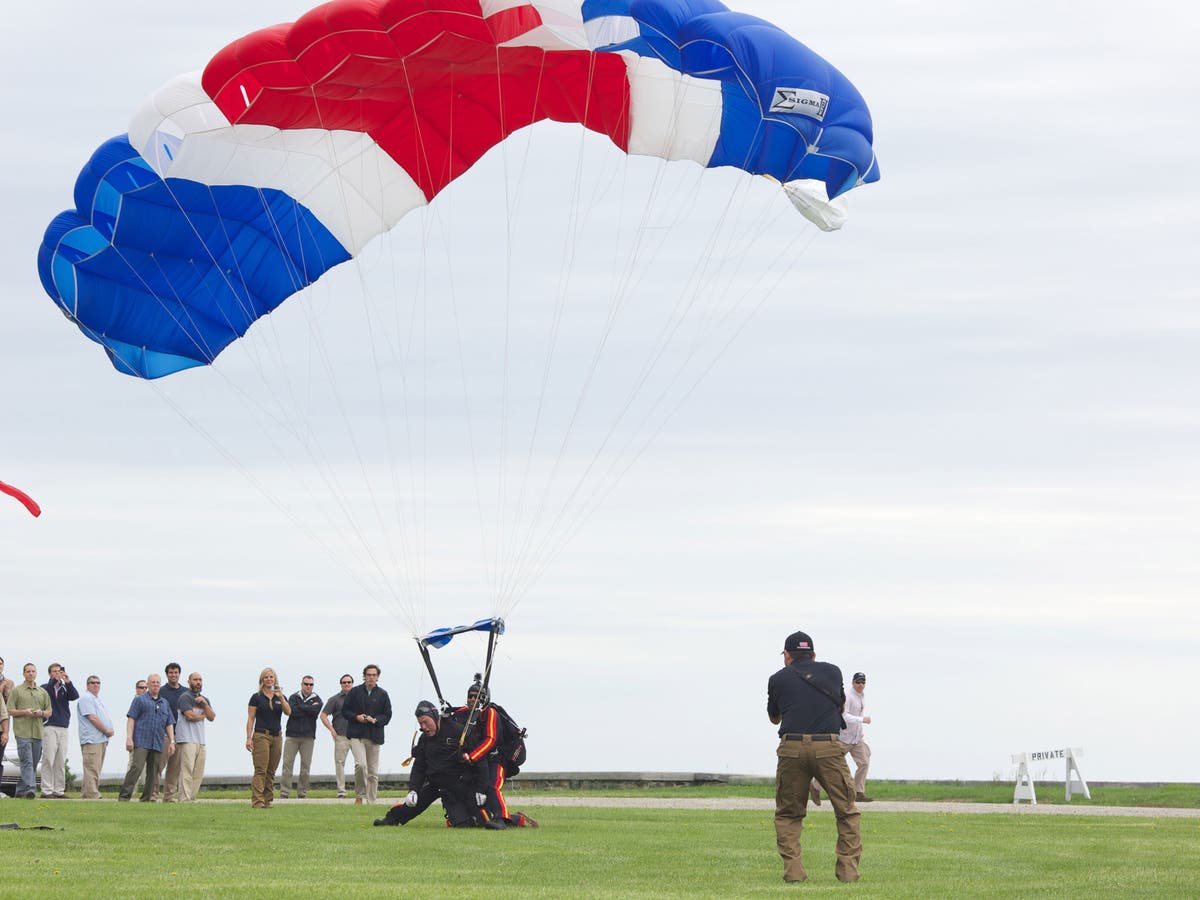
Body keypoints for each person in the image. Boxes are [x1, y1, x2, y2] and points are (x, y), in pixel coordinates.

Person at [767, 630, 861, 884]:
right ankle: (848, 872)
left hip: (792, 748)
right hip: (828, 748)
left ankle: (794, 872)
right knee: (846, 811)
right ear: (814, 654)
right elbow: (840, 704)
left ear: (787, 655)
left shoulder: (777, 679)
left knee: (788, 813)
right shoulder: (833, 671)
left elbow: (774, 717)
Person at [374, 701, 488, 828]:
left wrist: (481, 789)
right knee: (413, 804)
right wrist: (413, 790)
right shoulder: (424, 739)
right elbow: (419, 767)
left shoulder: (459, 732)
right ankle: (391, 819)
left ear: (435, 717)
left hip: (458, 785)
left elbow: (480, 761)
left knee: (467, 824)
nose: (424, 727)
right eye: (420, 724)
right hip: (434, 783)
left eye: (426, 722)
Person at [452, 682, 537, 828]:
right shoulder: (466, 712)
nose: (472, 699)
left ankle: (500, 819)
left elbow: (491, 740)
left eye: (476, 697)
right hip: (481, 761)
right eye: (470, 696)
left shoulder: (491, 713)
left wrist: (471, 757)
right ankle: (518, 819)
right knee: (474, 799)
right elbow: (453, 715)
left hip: (498, 758)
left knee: (492, 786)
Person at [118, 673, 177, 802]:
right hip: (141, 740)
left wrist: (172, 741)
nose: (155, 684)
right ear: (148, 684)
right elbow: (131, 719)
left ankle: (146, 798)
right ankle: (124, 797)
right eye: (153, 682)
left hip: (157, 742)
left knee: (153, 772)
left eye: (157, 682)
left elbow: (169, 723)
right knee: (136, 767)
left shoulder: (164, 703)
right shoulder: (140, 700)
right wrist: (129, 738)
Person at [343, 664, 391, 805]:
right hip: (357, 735)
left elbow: (387, 715)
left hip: (374, 735)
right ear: (364, 676)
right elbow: (345, 711)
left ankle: (371, 801)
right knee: (361, 765)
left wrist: (376, 720)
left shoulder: (383, 694)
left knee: (372, 771)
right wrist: (356, 717)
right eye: (368, 675)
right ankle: (359, 795)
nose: (371, 677)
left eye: (374, 675)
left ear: (377, 677)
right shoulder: (355, 692)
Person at [246, 667, 290, 809]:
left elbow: (288, 712)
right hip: (261, 735)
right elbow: (251, 719)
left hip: (277, 736)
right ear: (262, 680)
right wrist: (248, 737)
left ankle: (267, 800)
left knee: (271, 770)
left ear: (275, 679)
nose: (269, 679)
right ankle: (257, 801)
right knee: (261, 769)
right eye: (266, 677)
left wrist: (281, 696)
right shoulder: (256, 697)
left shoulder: (279, 697)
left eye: (271, 677)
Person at [9, 663, 51, 799]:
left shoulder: (42, 692)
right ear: (23, 674)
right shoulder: (16, 691)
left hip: (38, 733)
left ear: (36, 673)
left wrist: (41, 713)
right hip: (22, 732)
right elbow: (9, 710)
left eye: (33, 671)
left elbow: (49, 712)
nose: (30, 673)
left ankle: (21, 790)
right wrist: (24, 712)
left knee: (32, 763)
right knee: (26, 761)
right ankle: (30, 789)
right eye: (28, 671)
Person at [39, 662, 79, 799]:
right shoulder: (45, 687)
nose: (58, 674)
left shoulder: (64, 689)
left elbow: (74, 696)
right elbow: (46, 691)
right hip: (50, 727)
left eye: (59, 671)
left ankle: (59, 790)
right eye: (55, 671)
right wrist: (53, 681)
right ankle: (47, 790)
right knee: (48, 758)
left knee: (60, 760)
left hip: (63, 727)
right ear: (50, 674)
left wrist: (68, 681)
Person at [175, 672, 216, 802]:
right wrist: (203, 716)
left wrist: (205, 704)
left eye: (200, 680)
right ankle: (184, 798)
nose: (198, 682)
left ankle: (191, 798)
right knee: (186, 771)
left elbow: (212, 717)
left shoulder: (204, 700)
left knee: (198, 772)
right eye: (195, 680)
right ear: (189, 682)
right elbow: (190, 716)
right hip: (187, 739)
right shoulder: (185, 697)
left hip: (200, 740)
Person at [280, 675, 322, 799]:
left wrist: (302, 708)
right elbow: (292, 712)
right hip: (292, 736)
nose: (308, 686)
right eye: (306, 684)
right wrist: (307, 708)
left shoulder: (318, 699)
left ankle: (302, 793)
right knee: (287, 765)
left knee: (305, 766)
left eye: (310, 684)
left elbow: (314, 712)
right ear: (301, 684)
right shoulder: (293, 697)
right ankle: (284, 792)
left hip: (308, 737)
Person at [77, 675, 115, 800]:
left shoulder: (97, 699)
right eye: (92, 682)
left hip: (101, 739)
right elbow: (92, 717)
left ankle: (87, 793)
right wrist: (105, 730)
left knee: (96, 768)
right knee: (91, 767)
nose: (95, 685)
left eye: (98, 683)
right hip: (92, 739)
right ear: (87, 685)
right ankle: (92, 794)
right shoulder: (86, 698)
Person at [320, 674, 354, 799]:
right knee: (340, 764)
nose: (347, 684)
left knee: (361, 764)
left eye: (349, 682)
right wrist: (331, 730)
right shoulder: (334, 699)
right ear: (341, 684)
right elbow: (323, 715)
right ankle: (341, 792)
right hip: (341, 736)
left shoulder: (358, 698)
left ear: (352, 683)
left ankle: (363, 791)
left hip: (357, 736)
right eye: (344, 682)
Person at [157, 662, 187, 802]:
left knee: (174, 769)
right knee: (158, 766)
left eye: (175, 672)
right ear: (167, 674)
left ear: (179, 674)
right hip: (163, 734)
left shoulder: (186, 692)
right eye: (171, 672)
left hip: (180, 734)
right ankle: (153, 794)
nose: (173, 675)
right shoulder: (161, 692)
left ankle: (169, 796)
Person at [841, 672, 873, 802]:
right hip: (844, 738)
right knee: (831, 764)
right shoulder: (847, 696)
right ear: (853, 682)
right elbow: (844, 716)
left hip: (857, 738)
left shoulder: (862, 696)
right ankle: (815, 786)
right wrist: (862, 720)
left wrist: (860, 730)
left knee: (864, 762)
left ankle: (858, 792)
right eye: (858, 682)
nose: (860, 685)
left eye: (863, 682)